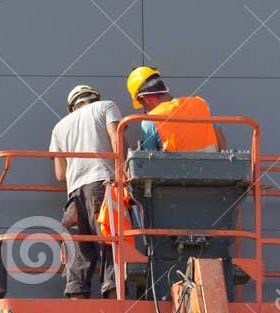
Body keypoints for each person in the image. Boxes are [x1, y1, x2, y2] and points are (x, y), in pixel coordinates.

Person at [49, 83, 120, 298]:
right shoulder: (106, 107)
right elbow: (117, 141)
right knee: (110, 239)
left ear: (72, 106)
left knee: (78, 246)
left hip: (75, 192)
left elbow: (60, 175)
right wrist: (124, 173)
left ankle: (77, 295)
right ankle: (113, 293)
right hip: (102, 183)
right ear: (94, 98)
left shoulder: (59, 127)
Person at [125, 66, 227, 151]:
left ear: (144, 99)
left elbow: (150, 162)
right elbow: (222, 144)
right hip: (213, 173)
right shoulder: (201, 103)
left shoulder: (151, 120)